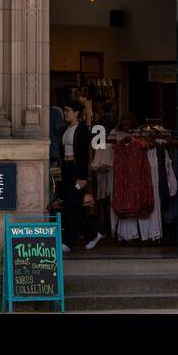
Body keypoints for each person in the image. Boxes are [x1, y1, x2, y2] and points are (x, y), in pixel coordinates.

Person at [54, 100, 102, 253]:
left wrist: (83, 177)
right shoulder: (65, 130)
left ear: (76, 113)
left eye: (68, 110)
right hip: (67, 170)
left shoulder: (82, 130)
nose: (65, 113)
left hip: (77, 171)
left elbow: (84, 156)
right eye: (65, 110)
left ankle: (69, 241)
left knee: (73, 206)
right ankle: (92, 234)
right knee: (71, 205)